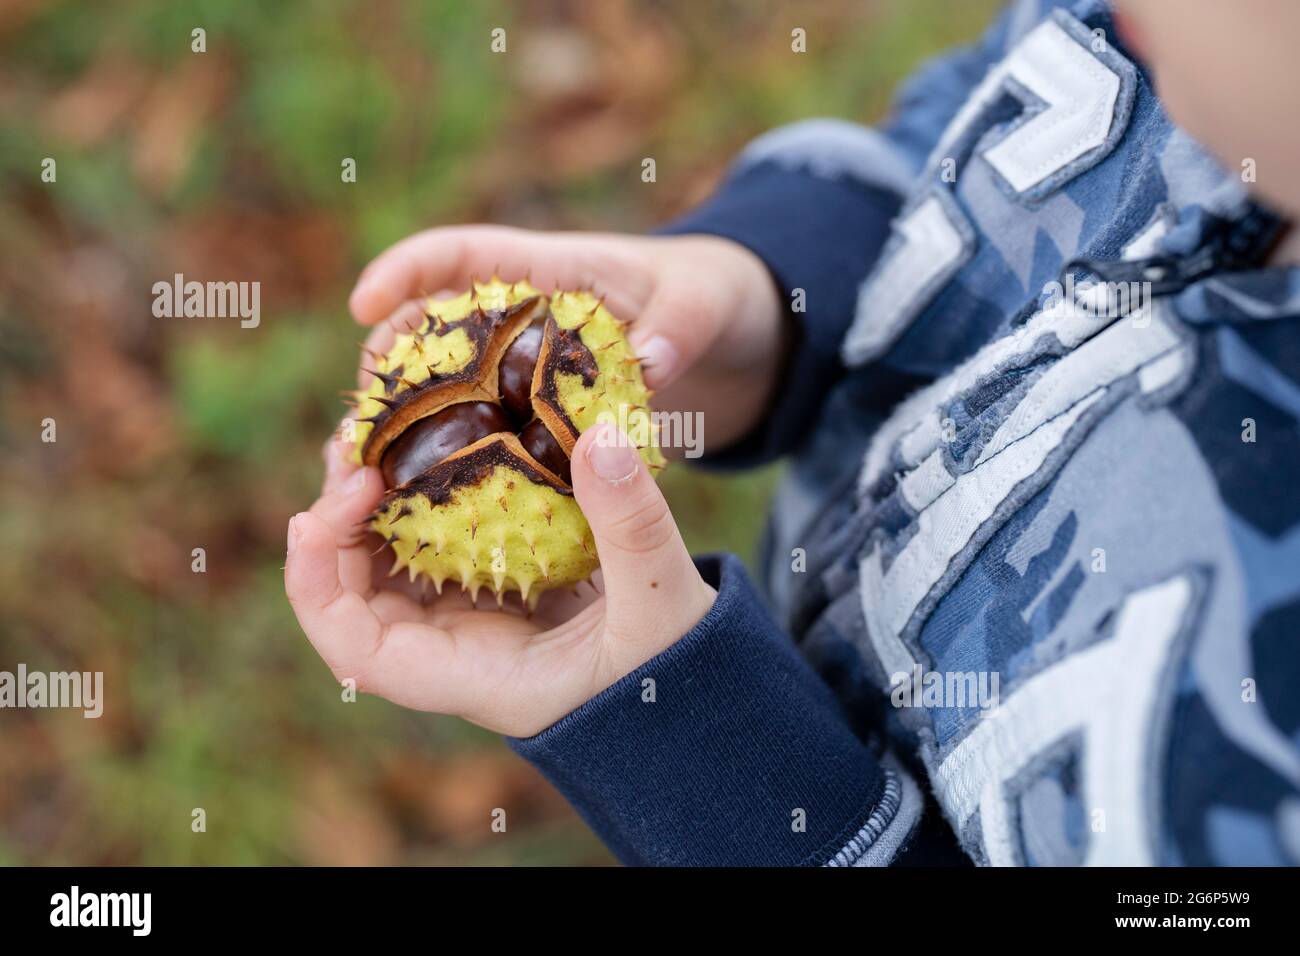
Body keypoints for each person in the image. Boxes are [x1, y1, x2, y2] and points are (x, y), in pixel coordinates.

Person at [285, 0, 1300, 865]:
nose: (1113, 16)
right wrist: (753, 296)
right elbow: (986, 120)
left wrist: (695, 738)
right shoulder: (1180, 46)